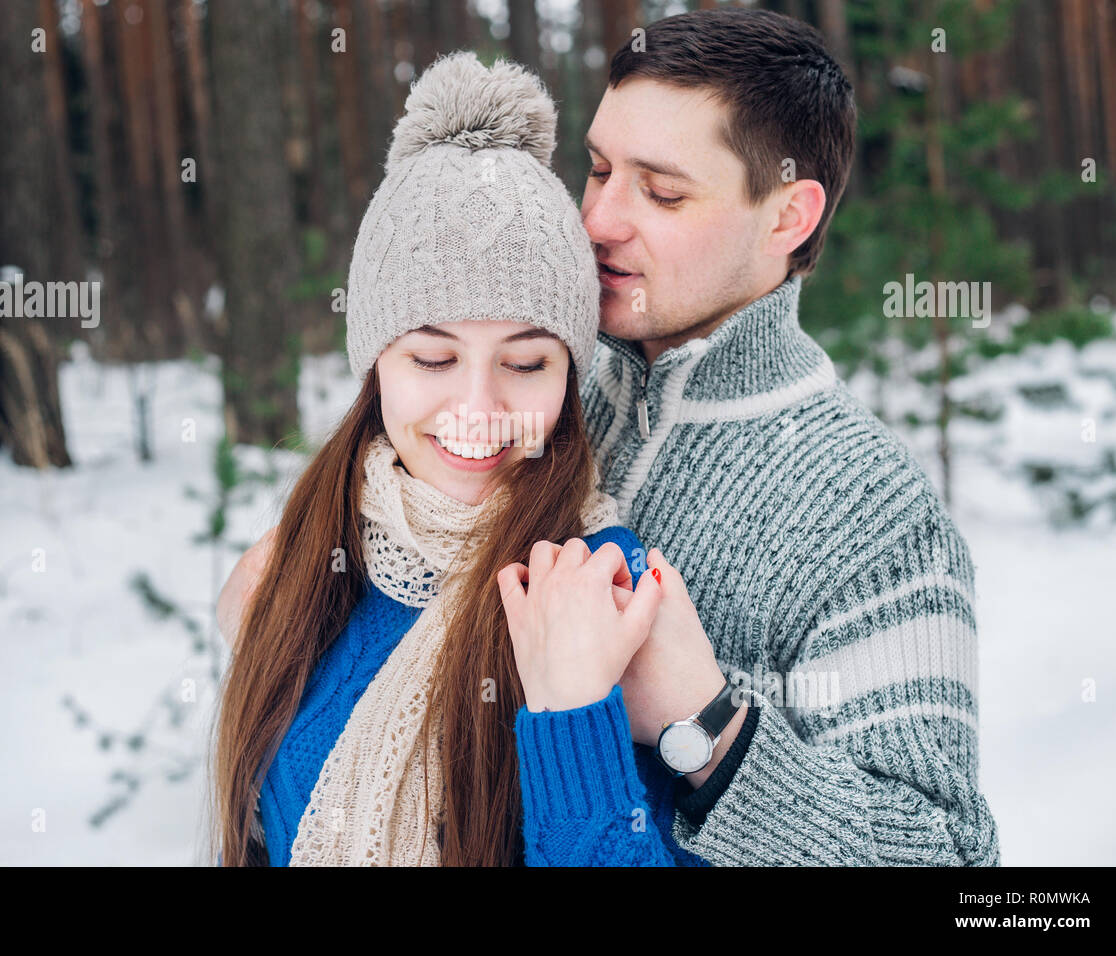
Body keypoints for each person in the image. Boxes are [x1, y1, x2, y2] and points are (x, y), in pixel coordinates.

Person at [211, 50, 713, 867]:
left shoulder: (599, 590)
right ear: (375, 364)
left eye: (524, 364)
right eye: (432, 360)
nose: (479, 413)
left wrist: (573, 715)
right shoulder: (304, 559)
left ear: (571, 375)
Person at [540, 6, 999, 865]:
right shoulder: (544, 399)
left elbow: (948, 858)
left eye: (662, 190)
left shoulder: (874, 517)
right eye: (598, 170)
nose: (598, 219)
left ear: (789, 217)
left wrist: (711, 730)